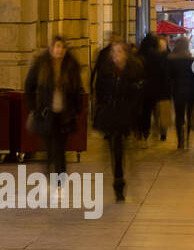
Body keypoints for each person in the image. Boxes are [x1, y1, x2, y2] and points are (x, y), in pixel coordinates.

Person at [24, 35, 85, 185]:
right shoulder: (41, 65)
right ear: (51, 48)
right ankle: (49, 173)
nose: (59, 50)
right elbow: (28, 85)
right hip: (46, 114)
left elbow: (78, 89)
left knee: (60, 150)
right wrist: (32, 107)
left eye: (62, 47)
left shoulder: (70, 67)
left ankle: (60, 182)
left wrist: (77, 109)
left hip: (63, 115)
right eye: (57, 46)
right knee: (49, 150)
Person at [93, 41, 141, 202]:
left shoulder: (133, 71)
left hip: (125, 115)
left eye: (119, 51)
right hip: (110, 114)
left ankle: (119, 179)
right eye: (113, 52)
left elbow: (137, 96)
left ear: (126, 54)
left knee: (120, 148)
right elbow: (99, 91)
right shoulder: (106, 71)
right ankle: (118, 180)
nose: (115, 55)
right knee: (115, 149)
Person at [166, 36, 194, 149]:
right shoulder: (192, 59)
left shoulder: (170, 58)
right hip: (190, 90)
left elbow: (168, 76)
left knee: (179, 116)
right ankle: (188, 136)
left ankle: (180, 140)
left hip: (177, 90)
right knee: (189, 115)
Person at [136, 34, 169, 142]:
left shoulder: (138, 55)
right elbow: (164, 73)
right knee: (158, 112)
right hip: (157, 88)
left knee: (145, 112)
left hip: (143, 89)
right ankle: (161, 133)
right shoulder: (158, 55)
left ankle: (144, 134)